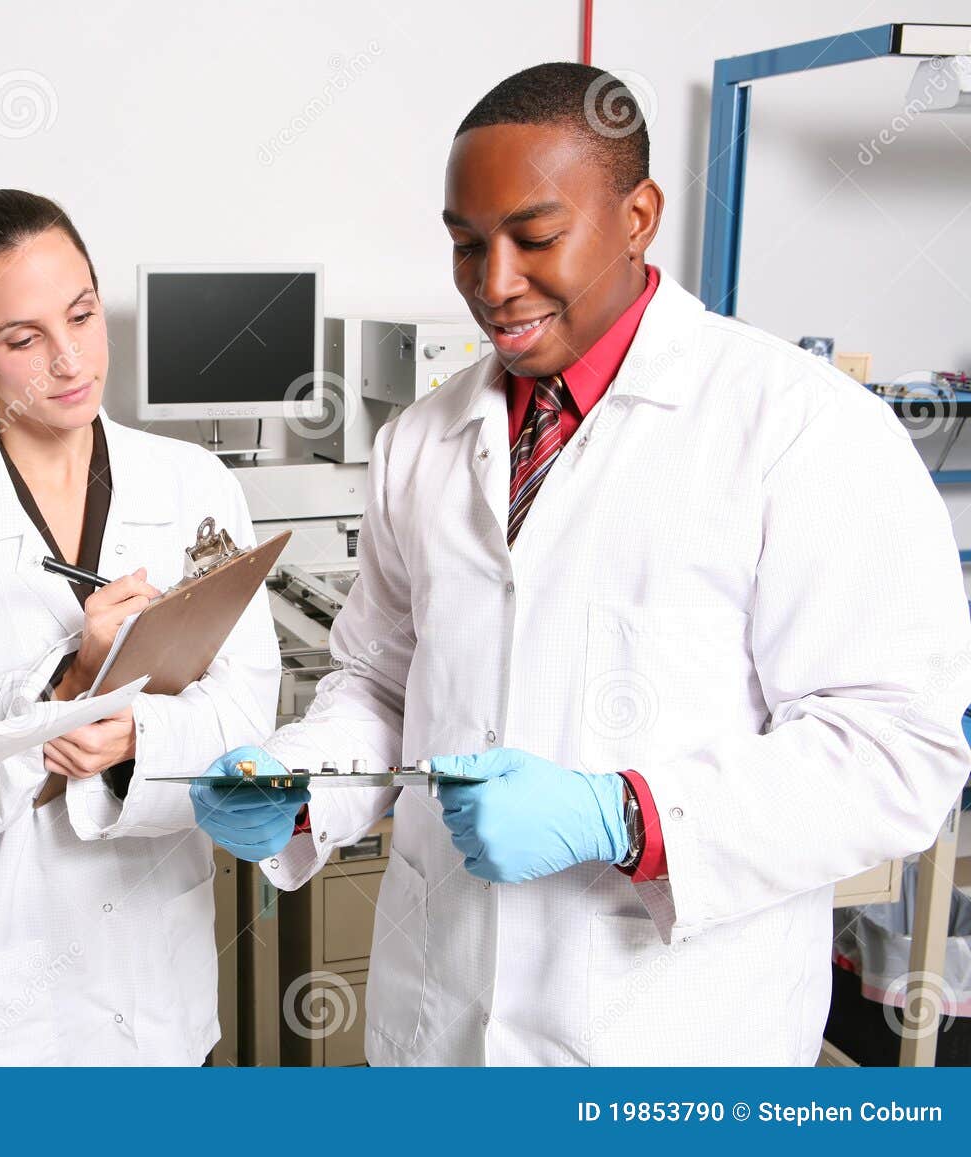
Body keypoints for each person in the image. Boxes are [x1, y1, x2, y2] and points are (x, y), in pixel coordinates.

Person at [192, 62, 971, 1065]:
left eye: (535, 236)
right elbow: (381, 679)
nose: (493, 282)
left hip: (668, 1030)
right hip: (438, 1016)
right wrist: (303, 782)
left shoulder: (802, 430)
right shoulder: (422, 440)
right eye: (465, 245)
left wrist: (627, 815)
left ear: (638, 214)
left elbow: (897, 751)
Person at [0, 189, 280, 1065]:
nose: (70, 358)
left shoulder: (192, 486)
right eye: (23, 338)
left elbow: (245, 721)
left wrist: (135, 738)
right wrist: (64, 691)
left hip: (155, 992)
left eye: (82, 313)